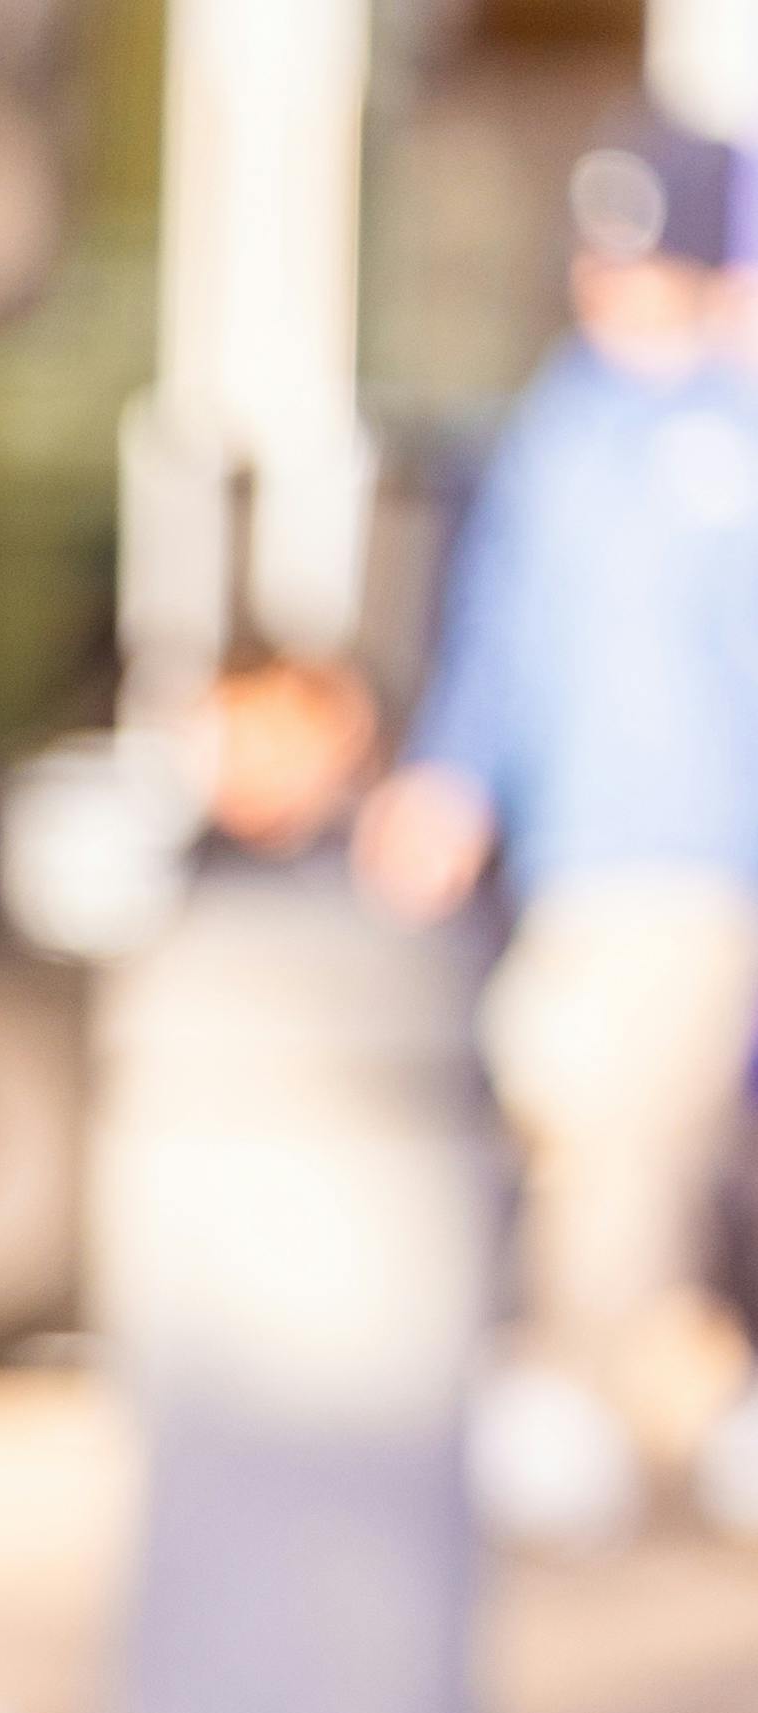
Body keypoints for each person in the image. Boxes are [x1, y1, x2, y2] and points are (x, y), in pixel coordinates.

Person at [356, 123, 758, 1547]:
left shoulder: (734, 428)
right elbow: (503, 640)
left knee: (629, 1121)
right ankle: (656, 1390)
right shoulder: (563, 427)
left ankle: (595, 1391)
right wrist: (449, 779)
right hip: (583, 852)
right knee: (578, 1104)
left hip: (708, 852)